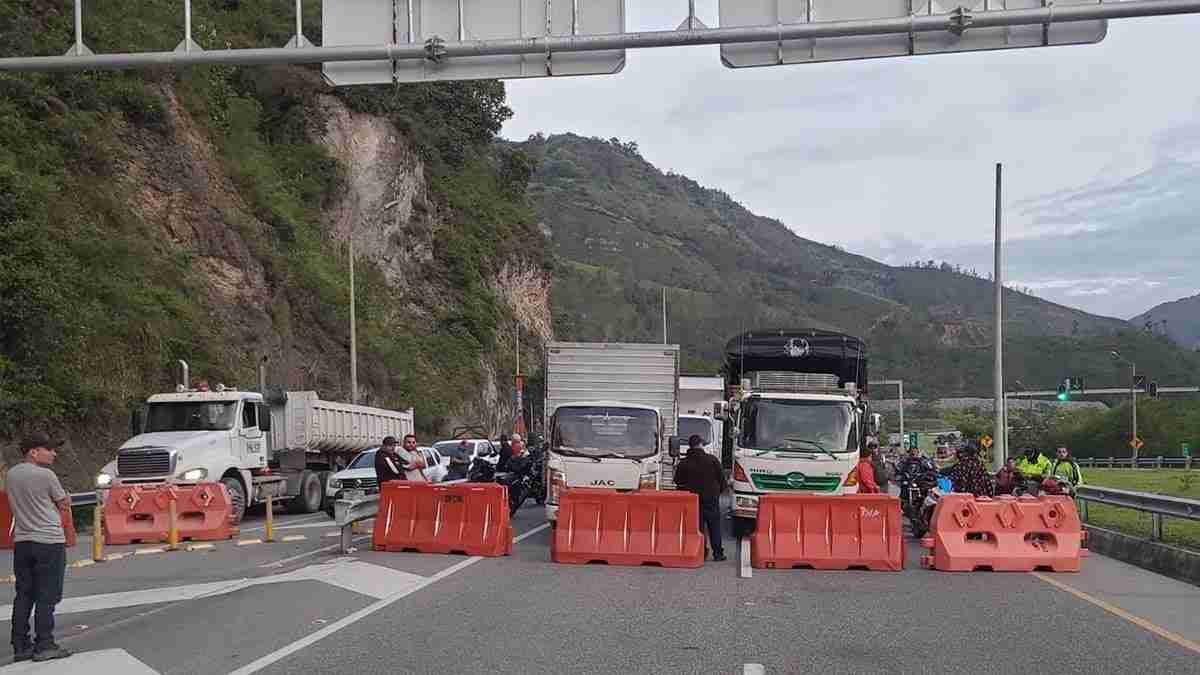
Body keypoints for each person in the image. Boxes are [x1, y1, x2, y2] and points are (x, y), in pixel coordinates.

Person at [9, 432, 75, 662]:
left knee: (24, 594)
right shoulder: (46, 475)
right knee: (47, 595)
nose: (54, 453)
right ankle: (45, 644)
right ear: (33, 452)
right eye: (49, 449)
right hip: (48, 541)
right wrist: (66, 497)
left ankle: (20, 645)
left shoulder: (11, 474)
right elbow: (63, 504)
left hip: (22, 542)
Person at [673, 434, 726, 561]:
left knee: (698, 527)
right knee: (714, 526)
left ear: (690, 446)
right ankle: (718, 553)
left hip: (692, 499)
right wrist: (719, 492)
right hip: (711, 498)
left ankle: (701, 552)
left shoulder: (684, 463)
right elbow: (721, 479)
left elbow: (677, 481)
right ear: (701, 444)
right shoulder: (712, 460)